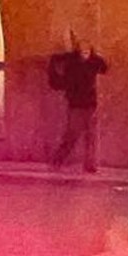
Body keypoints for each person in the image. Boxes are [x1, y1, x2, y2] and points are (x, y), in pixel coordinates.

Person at [48, 36, 108, 173]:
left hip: (90, 104)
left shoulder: (92, 62)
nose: (86, 54)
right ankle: (58, 160)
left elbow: (104, 67)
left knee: (90, 136)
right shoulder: (72, 63)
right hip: (76, 104)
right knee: (72, 135)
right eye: (83, 51)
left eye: (87, 51)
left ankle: (89, 165)